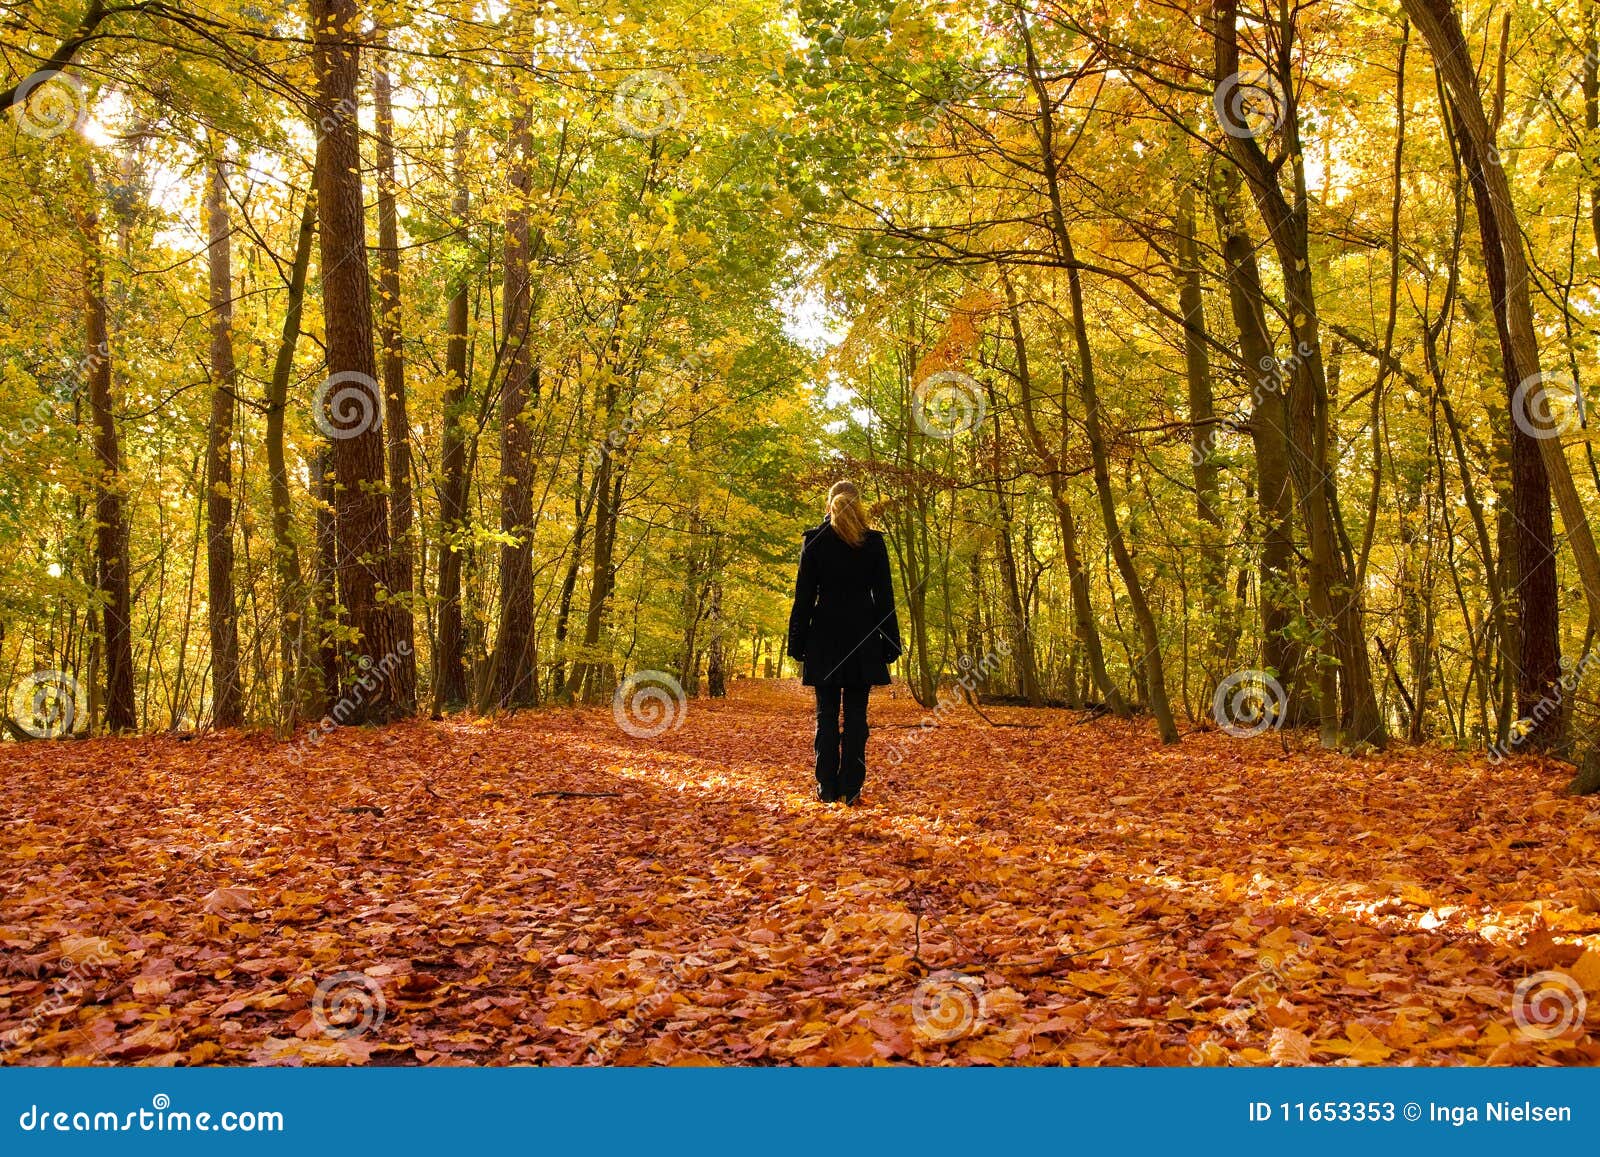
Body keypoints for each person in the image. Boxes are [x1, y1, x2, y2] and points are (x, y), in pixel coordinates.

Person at [785, 481, 902, 805]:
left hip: (824, 637)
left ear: (829, 503)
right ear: (859, 503)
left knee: (825, 715)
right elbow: (884, 599)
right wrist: (891, 642)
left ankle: (826, 787)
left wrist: (796, 642)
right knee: (855, 717)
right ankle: (851, 788)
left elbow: (804, 598)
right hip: (863, 637)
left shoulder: (815, 542)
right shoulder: (873, 544)